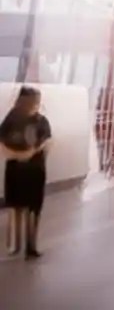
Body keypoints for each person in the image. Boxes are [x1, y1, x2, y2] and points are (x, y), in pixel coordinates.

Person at [2, 87, 51, 259]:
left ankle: (30, 246)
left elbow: (47, 142)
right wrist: (16, 154)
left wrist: (30, 153)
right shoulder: (11, 119)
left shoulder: (41, 121)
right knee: (17, 208)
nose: (37, 104)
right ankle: (16, 245)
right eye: (34, 100)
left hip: (34, 170)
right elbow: (1, 141)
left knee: (33, 209)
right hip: (16, 169)